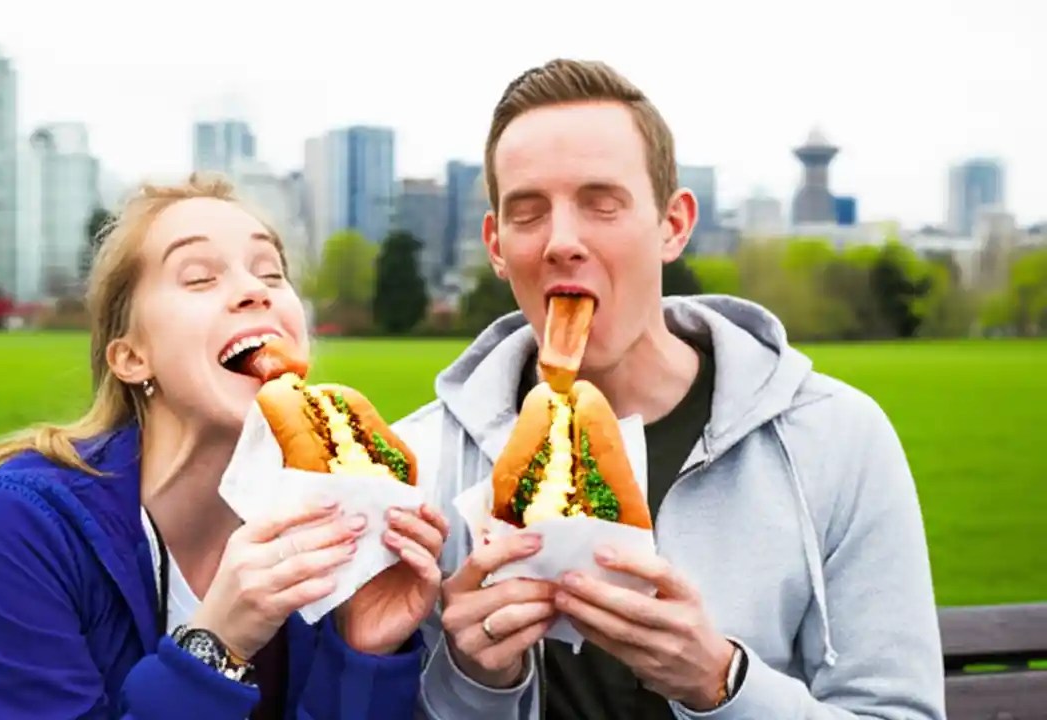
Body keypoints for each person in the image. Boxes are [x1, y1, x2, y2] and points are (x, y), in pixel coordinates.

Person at [398, 59, 946, 719]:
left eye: (602, 204)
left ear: (674, 225)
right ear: (495, 244)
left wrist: (721, 683)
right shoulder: (416, 466)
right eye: (528, 212)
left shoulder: (837, 438)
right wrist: (473, 681)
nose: (561, 242)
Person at [0, 174, 449, 719]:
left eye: (271, 273)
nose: (256, 291)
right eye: (199, 277)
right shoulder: (8, 529)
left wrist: (362, 653)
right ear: (131, 358)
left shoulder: (323, 536)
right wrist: (217, 644)